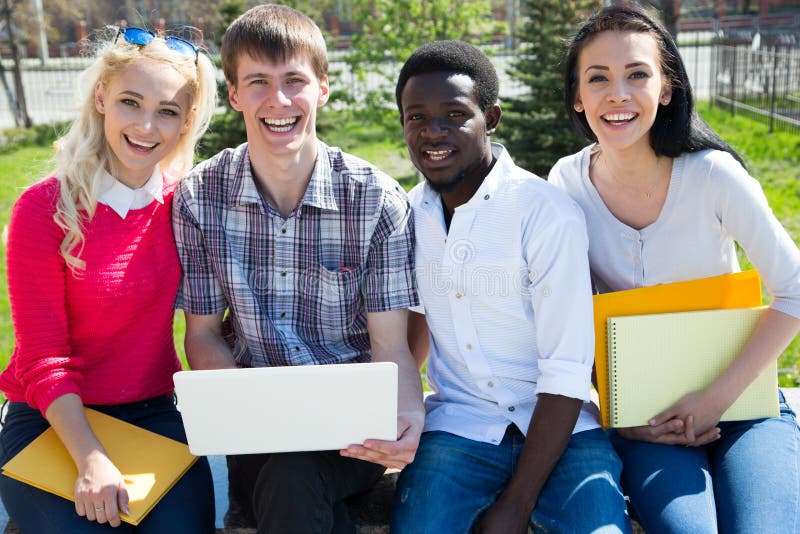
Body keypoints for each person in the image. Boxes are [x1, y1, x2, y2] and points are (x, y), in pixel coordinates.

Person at [171, 4, 424, 533]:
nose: (278, 100)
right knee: (288, 477)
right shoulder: (200, 196)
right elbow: (201, 334)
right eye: (258, 82)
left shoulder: (374, 200)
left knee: (293, 478)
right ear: (234, 94)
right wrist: (253, 411)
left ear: (323, 88)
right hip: (252, 425)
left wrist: (407, 416)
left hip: (349, 433)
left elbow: (392, 346)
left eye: (294, 81)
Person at [549, 4, 800, 533]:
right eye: (598, 78)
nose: (618, 93)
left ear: (666, 87)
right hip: (647, 419)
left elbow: (795, 290)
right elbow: (565, 315)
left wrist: (714, 400)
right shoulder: (565, 183)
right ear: (577, 97)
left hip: (746, 402)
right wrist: (624, 418)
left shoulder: (713, 175)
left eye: (637, 74)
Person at [390, 40, 631, 534]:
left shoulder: (545, 214)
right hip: (458, 426)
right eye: (417, 118)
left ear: (491, 117)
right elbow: (410, 334)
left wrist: (516, 505)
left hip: (565, 433)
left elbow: (567, 371)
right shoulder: (406, 217)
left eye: (455, 115)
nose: (433, 132)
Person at [0, 25, 217, 533]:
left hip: (154, 415)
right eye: (129, 102)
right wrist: (91, 458)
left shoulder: (186, 205)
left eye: (167, 111)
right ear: (101, 97)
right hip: (51, 421)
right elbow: (41, 357)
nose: (146, 125)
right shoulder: (43, 209)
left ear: (185, 121)